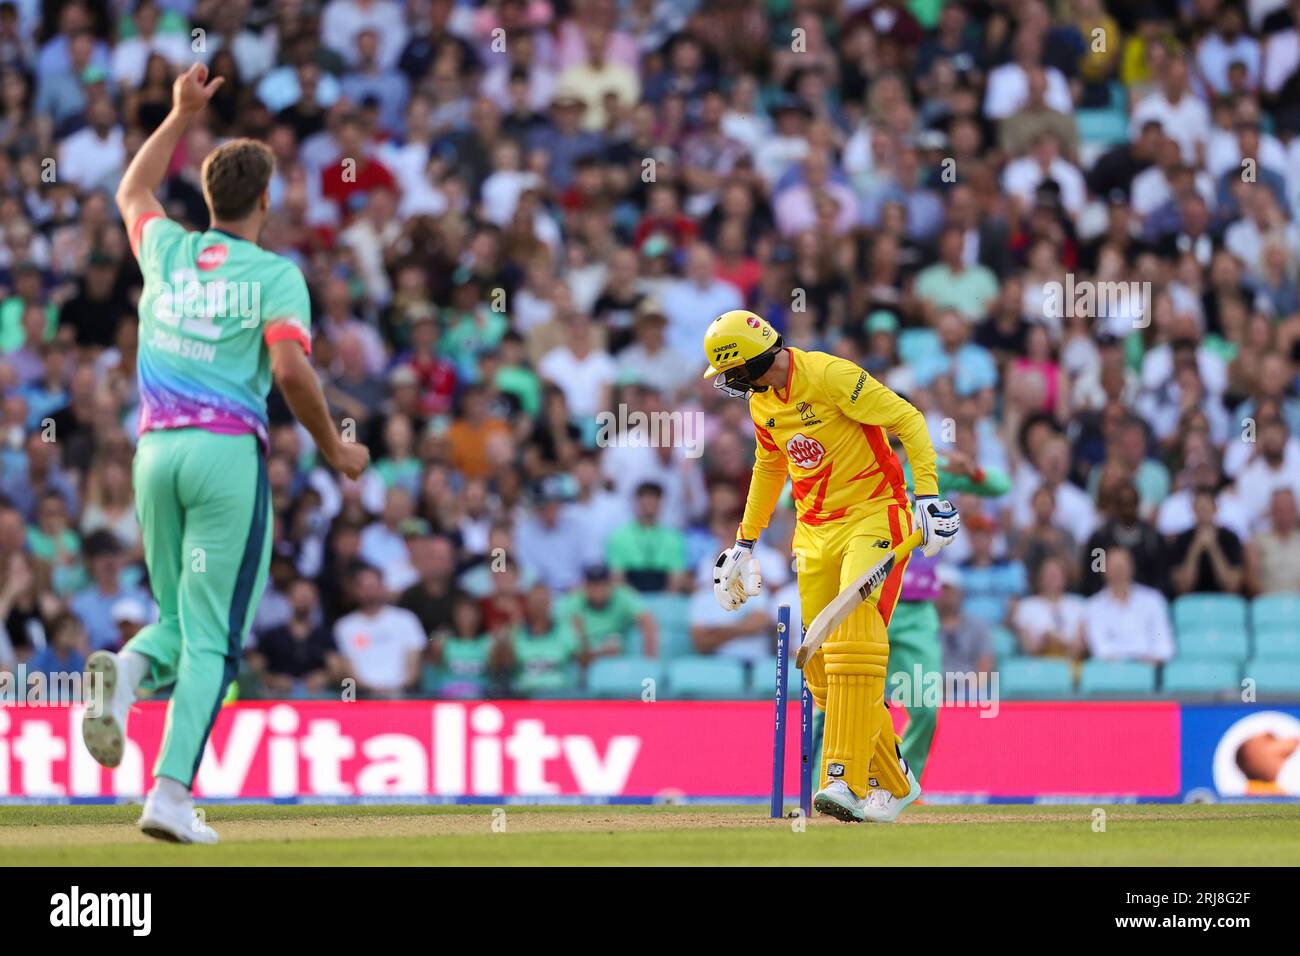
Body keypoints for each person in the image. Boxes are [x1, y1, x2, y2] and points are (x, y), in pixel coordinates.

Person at [78, 64, 369, 845]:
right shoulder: (276, 275)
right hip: (222, 459)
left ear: (210, 198)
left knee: (177, 619)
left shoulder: (167, 251)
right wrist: (336, 448)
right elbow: (289, 370)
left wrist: (176, 116)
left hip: (153, 454)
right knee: (213, 639)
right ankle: (170, 794)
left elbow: (130, 192)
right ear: (265, 202)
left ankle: (127, 674)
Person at [703, 309, 959, 823]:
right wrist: (744, 542)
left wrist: (928, 496)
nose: (728, 384)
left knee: (852, 642)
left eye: (730, 372)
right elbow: (770, 464)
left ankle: (842, 779)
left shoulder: (830, 375)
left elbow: (907, 419)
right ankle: (896, 779)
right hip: (813, 533)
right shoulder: (762, 403)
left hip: (873, 514)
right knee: (820, 669)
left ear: (752, 360)